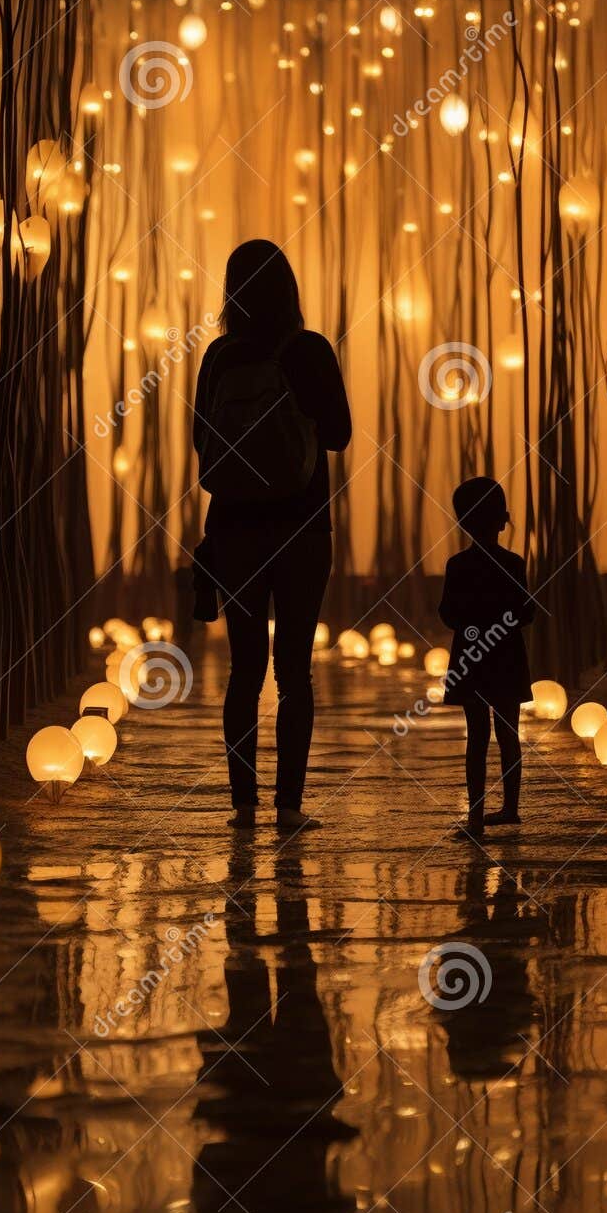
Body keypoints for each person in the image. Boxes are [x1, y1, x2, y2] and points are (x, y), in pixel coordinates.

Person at [193, 240, 351, 832]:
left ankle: (242, 806)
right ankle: (289, 807)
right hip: (303, 527)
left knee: (244, 669)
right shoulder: (307, 350)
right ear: (288, 288)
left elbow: (201, 443)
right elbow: (338, 434)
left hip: (234, 528)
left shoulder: (220, 356)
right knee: (294, 672)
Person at [437, 476, 535, 838]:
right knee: (508, 733)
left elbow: (447, 614)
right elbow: (526, 612)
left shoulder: (457, 565)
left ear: (462, 522)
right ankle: (510, 808)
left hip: (472, 658)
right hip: (507, 657)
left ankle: (476, 818)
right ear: (504, 520)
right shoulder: (514, 563)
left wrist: (473, 621)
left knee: (476, 735)